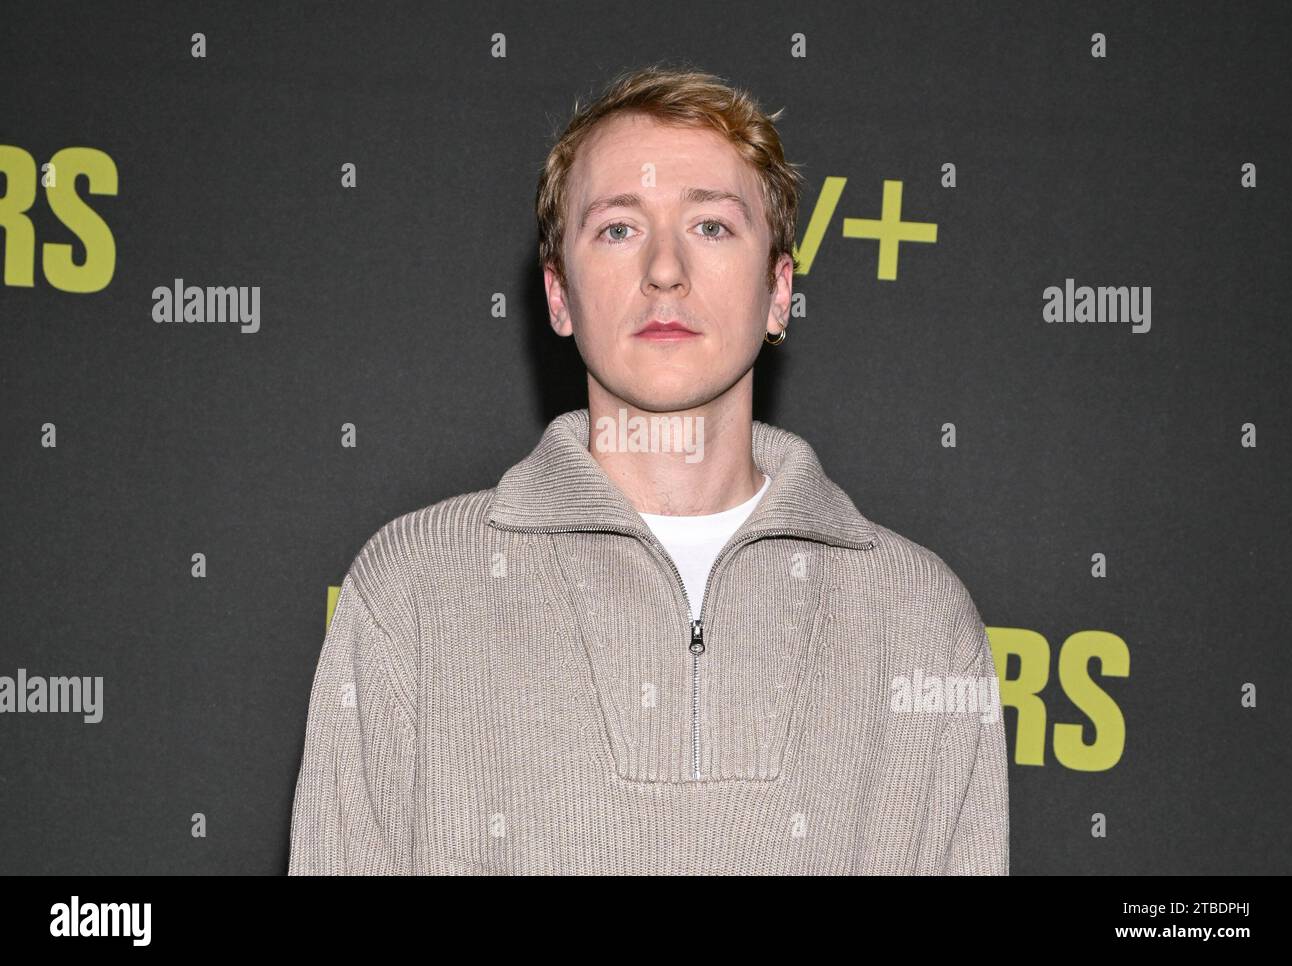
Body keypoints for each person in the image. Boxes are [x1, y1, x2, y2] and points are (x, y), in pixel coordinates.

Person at [288, 63, 1009, 875]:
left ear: (780, 293)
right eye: (618, 229)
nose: (665, 271)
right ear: (558, 297)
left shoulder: (922, 621)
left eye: (711, 226)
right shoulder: (411, 594)